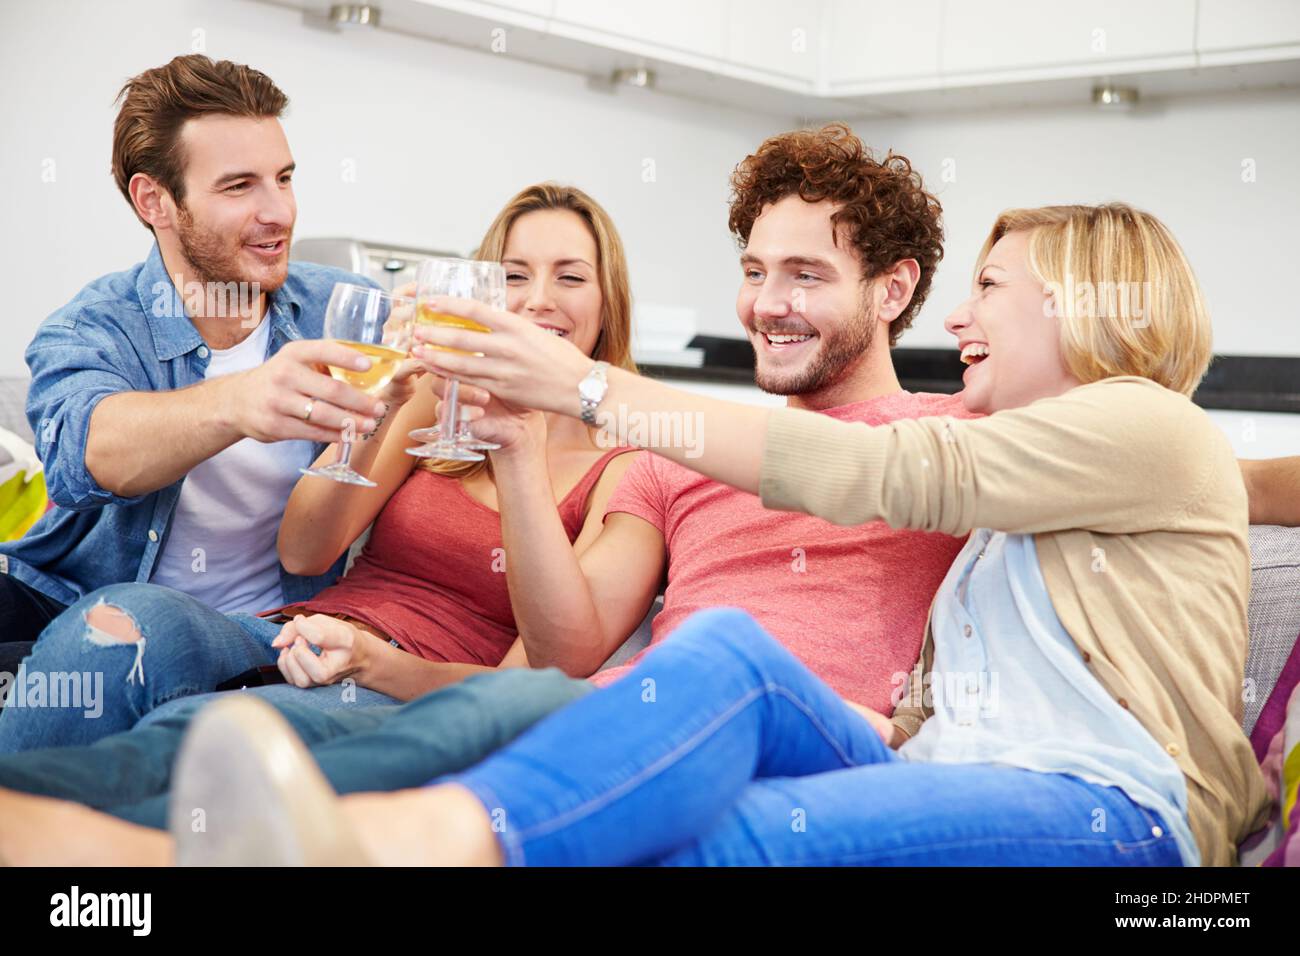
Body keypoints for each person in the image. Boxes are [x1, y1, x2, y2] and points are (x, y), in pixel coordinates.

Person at [178, 200, 1270, 867]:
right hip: (956, 764)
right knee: (721, 654)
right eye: (753, 269)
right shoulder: (1036, 487)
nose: (959, 319)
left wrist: (594, 387)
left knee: (713, 839)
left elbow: (875, 472)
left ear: (1083, 303)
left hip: (1119, 809)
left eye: (987, 289)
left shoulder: (1140, 423)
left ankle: (385, 850)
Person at [0, 183, 640, 752]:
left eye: (571, 278)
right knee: (119, 624)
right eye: (515, 276)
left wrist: (370, 664)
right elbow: (304, 551)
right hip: (298, 633)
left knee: (210, 742)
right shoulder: (433, 399)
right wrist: (377, 405)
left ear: (609, 298)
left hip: (404, 688)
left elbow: (540, 680)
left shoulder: (629, 463)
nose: (537, 302)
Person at [0, 54, 384, 678]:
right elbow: (82, 456)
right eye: (240, 186)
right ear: (155, 200)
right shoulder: (94, 324)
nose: (280, 212)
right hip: (73, 603)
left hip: (267, 634)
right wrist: (238, 401)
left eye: (284, 179)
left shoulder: (343, 307)